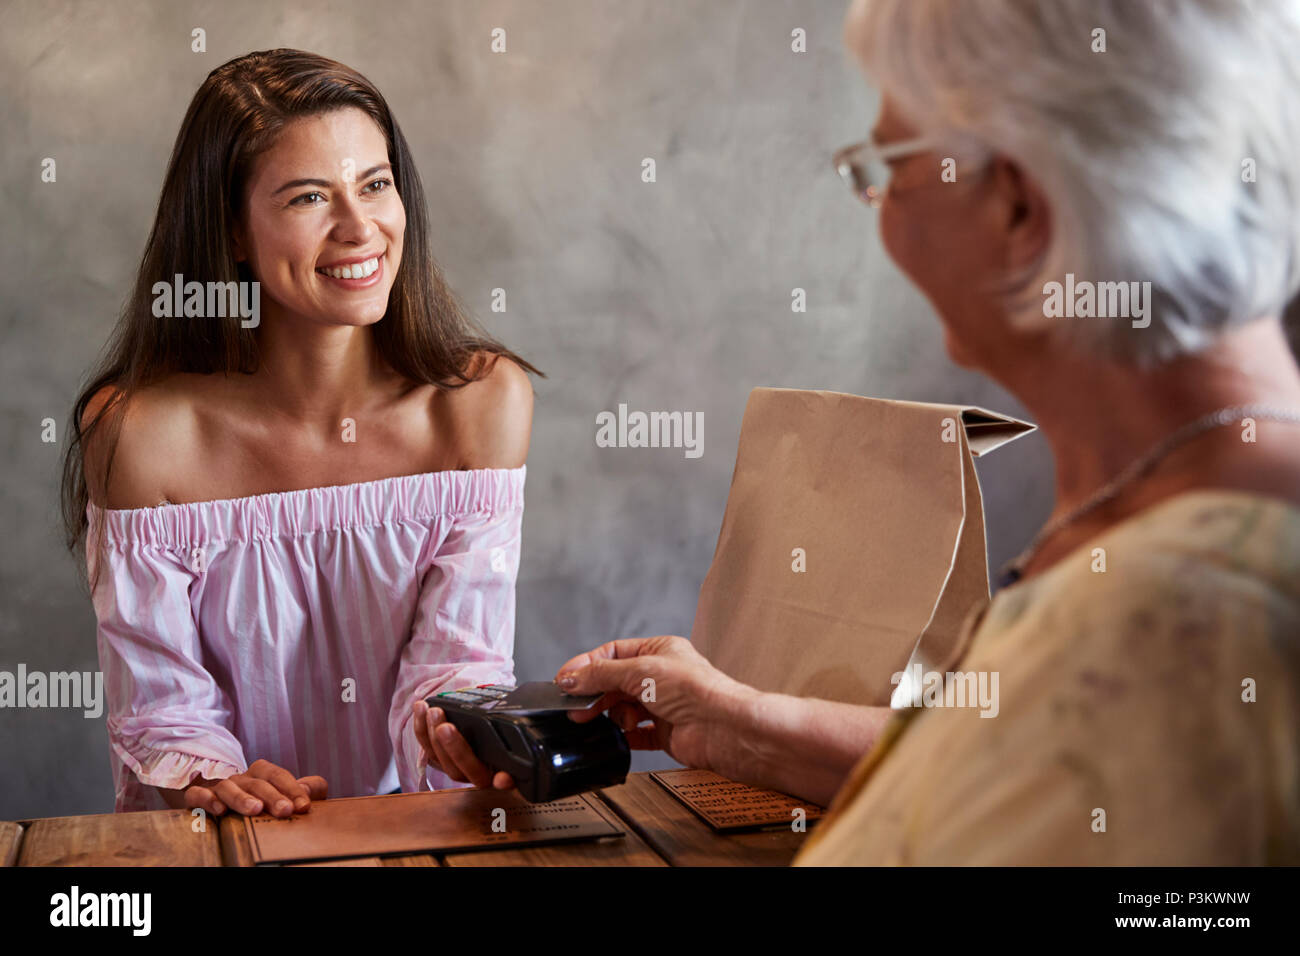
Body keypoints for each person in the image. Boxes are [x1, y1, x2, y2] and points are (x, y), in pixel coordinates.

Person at [552, 0, 1300, 864]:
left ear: (1019, 206)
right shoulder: (1186, 510)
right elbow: (997, 755)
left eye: (886, 169)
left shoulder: (1175, 617)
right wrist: (740, 727)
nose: (879, 212)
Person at [62, 49, 538, 816]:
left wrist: (458, 731)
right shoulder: (142, 434)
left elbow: (457, 666)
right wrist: (211, 778)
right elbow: (161, 708)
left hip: (410, 840)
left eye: (375, 185)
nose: (361, 228)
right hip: (223, 845)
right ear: (233, 233)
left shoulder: (481, 405)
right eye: (309, 197)